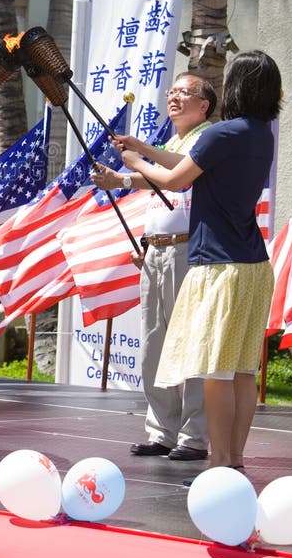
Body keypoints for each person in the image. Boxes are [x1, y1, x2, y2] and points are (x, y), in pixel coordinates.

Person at [118, 51, 281, 481]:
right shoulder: (261, 134)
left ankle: (220, 460)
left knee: (213, 369)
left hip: (218, 267)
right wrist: (147, 152)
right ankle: (235, 458)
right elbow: (189, 166)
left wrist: (133, 164)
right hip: (254, 265)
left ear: (236, 87)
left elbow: (174, 181)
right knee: (243, 369)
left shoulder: (221, 134)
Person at [91, 73, 216, 461]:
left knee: (189, 343)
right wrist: (122, 179)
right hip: (155, 252)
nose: (174, 98)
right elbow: (158, 179)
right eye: (171, 92)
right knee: (155, 346)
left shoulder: (206, 138)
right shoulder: (175, 140)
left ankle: (193, 437)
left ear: (204, 105)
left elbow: (177, 175)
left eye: (184, 93)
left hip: (187, 252)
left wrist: (138, 154)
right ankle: (162, 431)